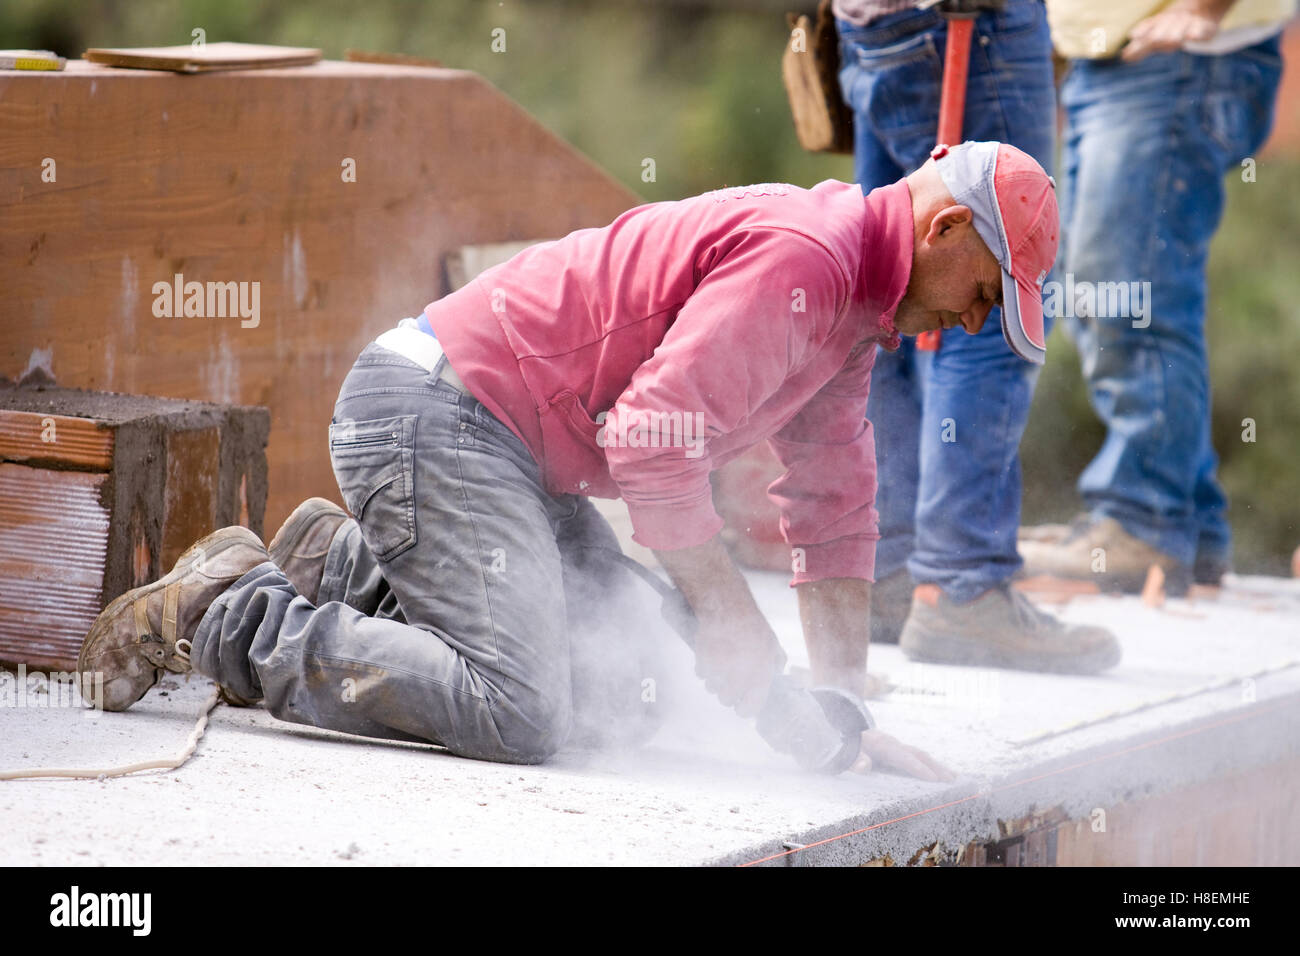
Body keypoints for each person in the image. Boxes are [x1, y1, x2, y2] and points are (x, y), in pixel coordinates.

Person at [80, 141, 1084, 777]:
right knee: (521, 710)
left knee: (630, 686)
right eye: (987, 293)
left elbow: (830, 506)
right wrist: (732, 618)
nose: (971, 322)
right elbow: (651, 442)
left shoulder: (854, 310)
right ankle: (227, 614)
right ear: (947, 227)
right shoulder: (807, 260)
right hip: (432, 412)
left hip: (500, 449)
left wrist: (840, 721)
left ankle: (343, 564)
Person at [834, 0, 1117, 667]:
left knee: (889, 277)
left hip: (870, 22)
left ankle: (889, 567)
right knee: (989, 291)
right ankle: (962, 586)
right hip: (965, 18)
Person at [1020, 0, 1290, 592]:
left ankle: (1145, 521)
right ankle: (1185, 527)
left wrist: (1202, 9)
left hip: (1179, 59)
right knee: (1095, 295)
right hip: (1114, 60)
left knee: (1129, 295)